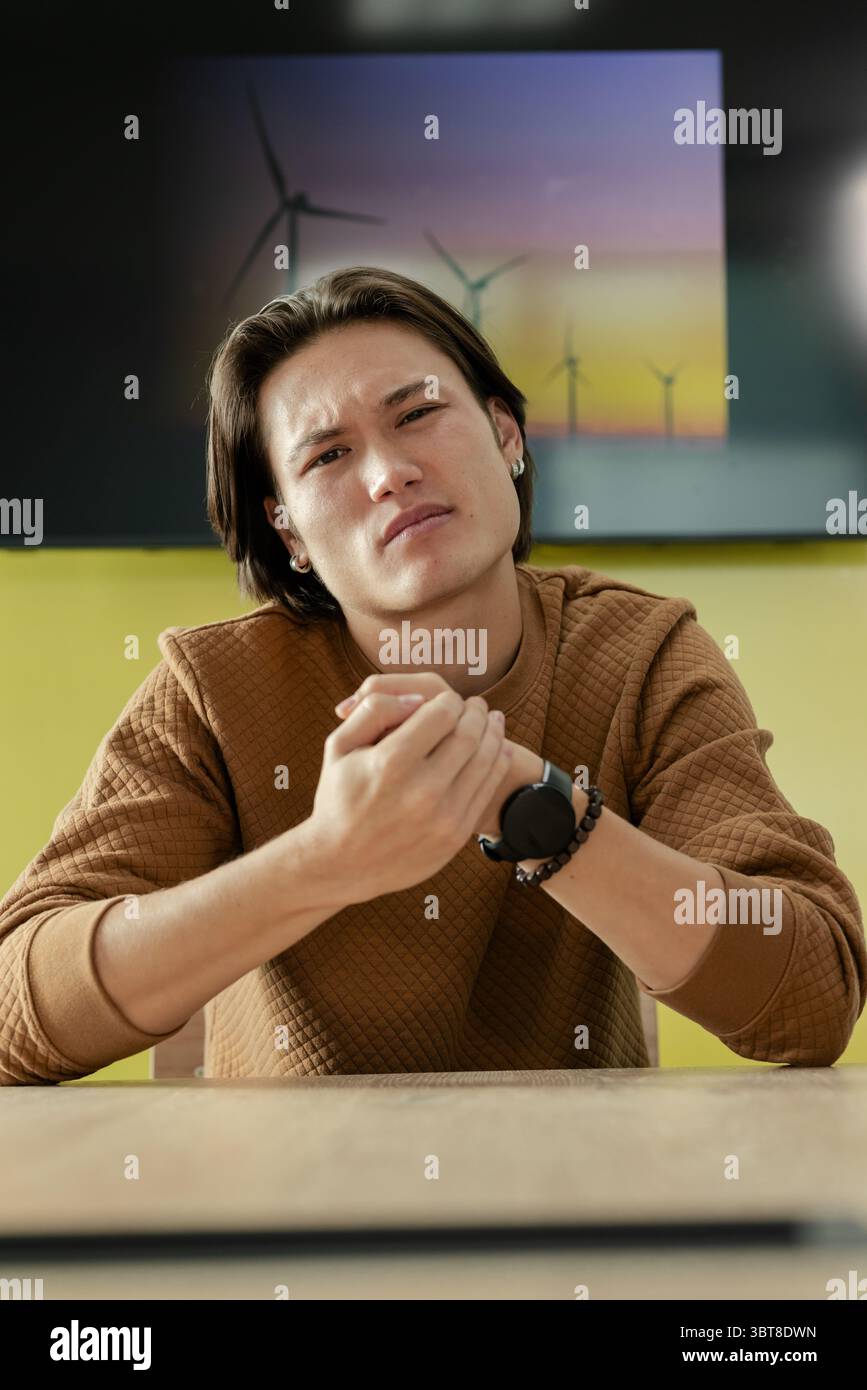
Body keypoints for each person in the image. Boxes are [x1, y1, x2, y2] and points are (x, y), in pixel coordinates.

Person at [0, 266, 864, 1083]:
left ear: (504, 435)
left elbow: (810, 998)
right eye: (327, 457)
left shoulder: (641, 653)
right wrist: (326, 862)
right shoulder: (213, 689)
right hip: (279, 1216)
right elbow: (12, 1006)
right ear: (288, 533)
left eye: (416, 414)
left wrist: (544, 817)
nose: (388, 473)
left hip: (580, 1203)